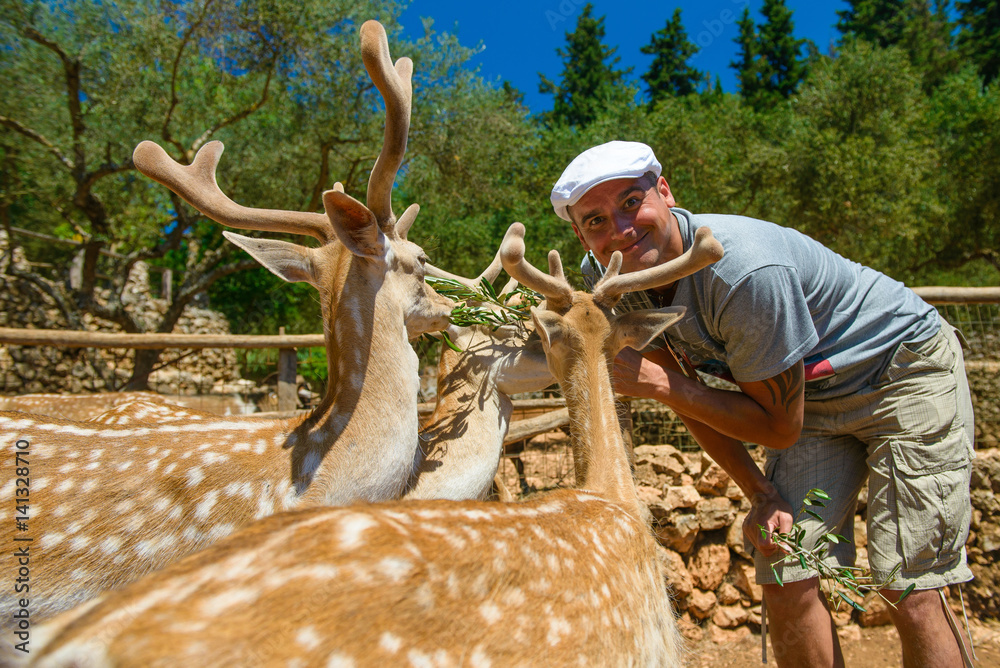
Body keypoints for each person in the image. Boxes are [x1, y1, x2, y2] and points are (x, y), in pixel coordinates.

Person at [550, 140, 976, 667]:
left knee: (910, 585)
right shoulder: (612, 283)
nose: (619, 229)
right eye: (595, 220)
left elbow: (760, 421)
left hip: (902, 374)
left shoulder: (743, 271)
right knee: (785, 570)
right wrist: (760, 493)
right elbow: (684, 389)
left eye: (632, 202)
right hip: (812, 403)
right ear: (578, 233)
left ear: (664, 191)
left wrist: (664, 387)